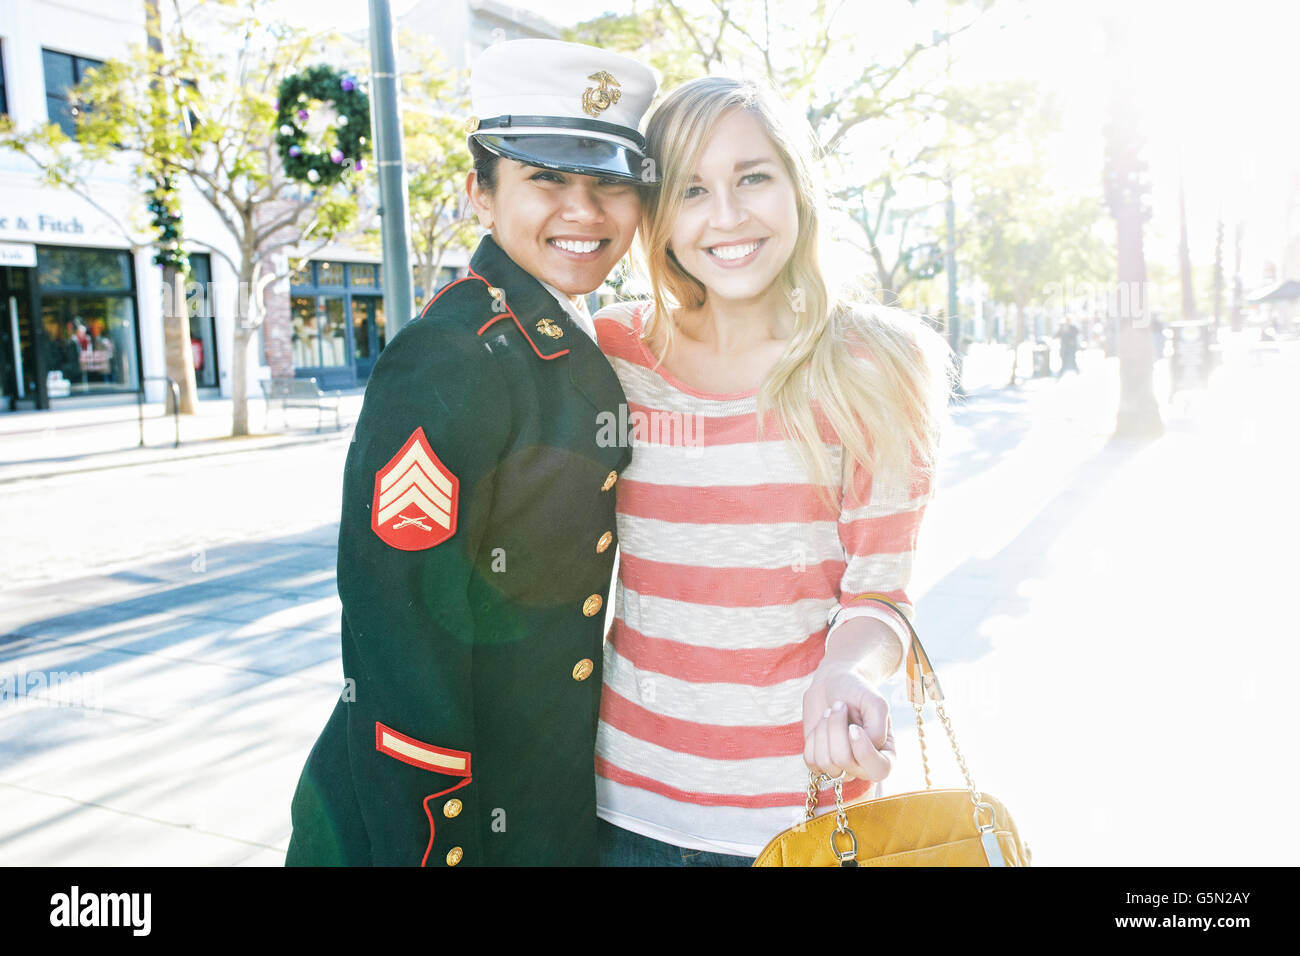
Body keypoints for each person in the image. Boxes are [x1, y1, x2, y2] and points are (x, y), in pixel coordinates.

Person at [286, 39, 658, 867]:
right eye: (547, 179)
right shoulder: (455, 354)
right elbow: (400, 640)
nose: (585, 212)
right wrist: (435, 843)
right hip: (435, 824)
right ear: (480, 196)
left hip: (538, 801)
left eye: (610, 184)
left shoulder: (558, 335)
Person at [591, 77, 953, 865]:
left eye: (753, 176)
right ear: (657, 215)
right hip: (621, 809)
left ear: (798, 185)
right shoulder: (612, 352)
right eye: (691, 189)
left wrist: (848, 673)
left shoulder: (878, 365)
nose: (727, 215)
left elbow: (879, 594)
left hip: (805, 813)